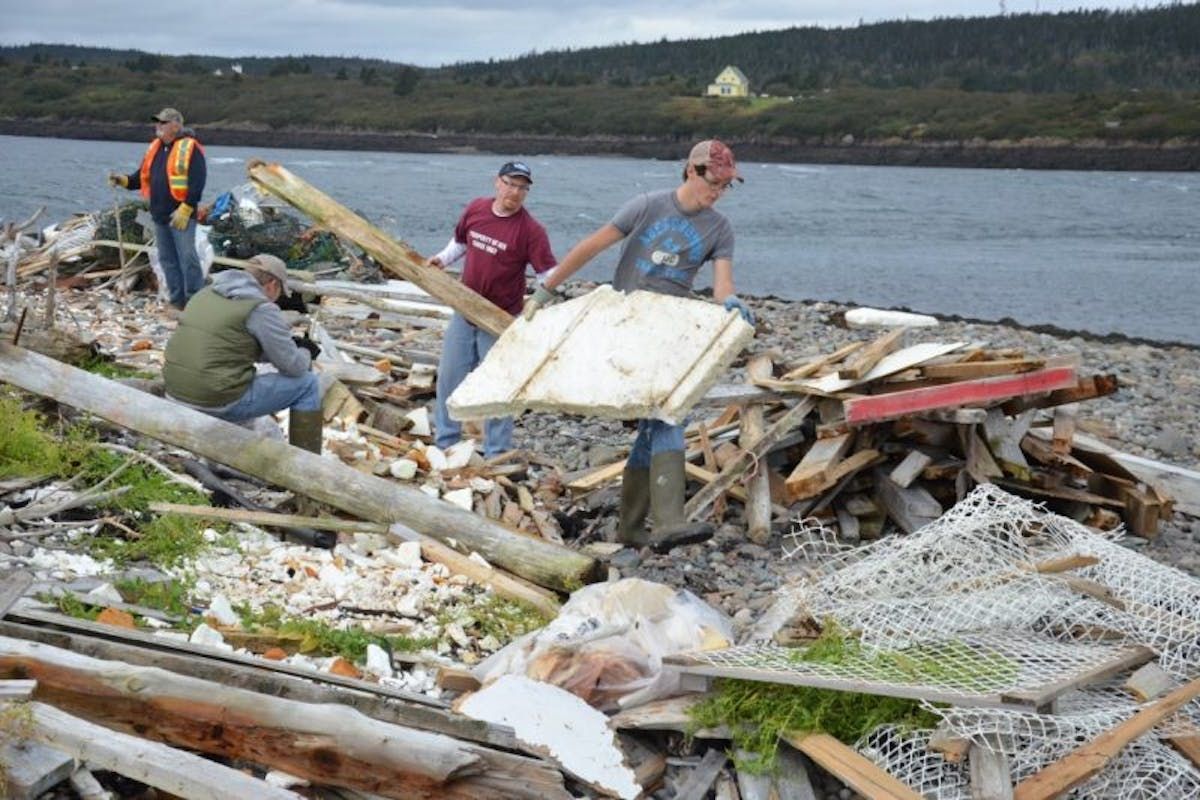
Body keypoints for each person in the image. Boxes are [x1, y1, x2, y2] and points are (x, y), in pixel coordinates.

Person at [524, 139, 755, 550]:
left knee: (655, 423)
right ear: (692, 171)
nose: (718, 192)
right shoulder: (647, 205)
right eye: (714, 182)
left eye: (725, 186)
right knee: (670, 415)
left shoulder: (720, 228)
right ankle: (668, 522)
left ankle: (631, 529)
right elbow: (591, 247)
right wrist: (546, 289)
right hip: (626, 323)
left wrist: (732, 303)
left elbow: (722, 287)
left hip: (668, 331)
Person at [429, 161, 558, 458]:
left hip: (500, 318)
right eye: (510, 184)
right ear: (497, 183)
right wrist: (441, 259)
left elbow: (548, 276)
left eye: (522, 187)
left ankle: (496, 451)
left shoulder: (531, 231)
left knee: (498, 385)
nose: (515, 192)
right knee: (450, 376)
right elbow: (461, 242)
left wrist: (536, 305)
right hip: (465, 309)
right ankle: (445, 443)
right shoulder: (476, 209)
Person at [162, 254, 324, 453]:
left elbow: (229, 345)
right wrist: (306, 350)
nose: (278, 299)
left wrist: (278, 348)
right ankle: (308, 459)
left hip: (175, 391)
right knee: (307, 384)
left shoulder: (205, 294)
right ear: (273, 285)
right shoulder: (260, 308)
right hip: (211, 401)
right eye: (280, 293)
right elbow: (294, 367)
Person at [108, 107, 207, 310]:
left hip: (181, 215)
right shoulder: (155, 148)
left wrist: (187, 207)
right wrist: (123, 180)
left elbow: (198, 181)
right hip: (160, 215)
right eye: (158, 122)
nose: (158, 126)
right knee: (167, 260)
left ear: (176, 125)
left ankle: (195, 303)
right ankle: (177, 301)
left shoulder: (190, 148)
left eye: (163, 123)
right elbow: (140, 178)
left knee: (188, 258)